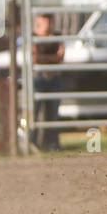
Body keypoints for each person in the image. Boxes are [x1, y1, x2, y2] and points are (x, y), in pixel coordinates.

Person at [31, 12, 64, 152]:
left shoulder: (57, 36)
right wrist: (52, 58)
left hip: (53, 78)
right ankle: (32, 143)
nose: (47, 21)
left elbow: (60, 56)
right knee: (34, 111)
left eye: (49, 18)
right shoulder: (34, 36)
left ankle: (52, 144)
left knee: (53, 113)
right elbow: (34, 57)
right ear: (38, 19)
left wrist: (44, 58)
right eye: (44, 18)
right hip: (39, 78)